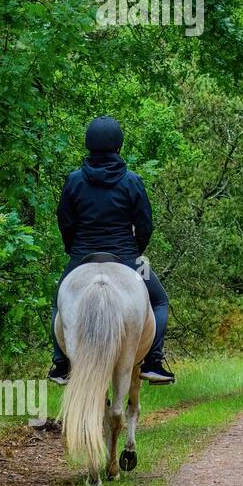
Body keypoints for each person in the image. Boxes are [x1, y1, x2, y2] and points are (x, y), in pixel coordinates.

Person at [48, 116, 175, 385]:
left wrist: (74, 249)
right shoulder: (132, 181)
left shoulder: (73, 181)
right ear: (118, 146)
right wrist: (136, 252)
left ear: (88, 145)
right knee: (160, 301)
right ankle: (153, 361)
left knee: (57, 301)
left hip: (82, 257)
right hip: (128, 258)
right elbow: (145, 224)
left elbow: (65, 221)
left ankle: (61, 363)